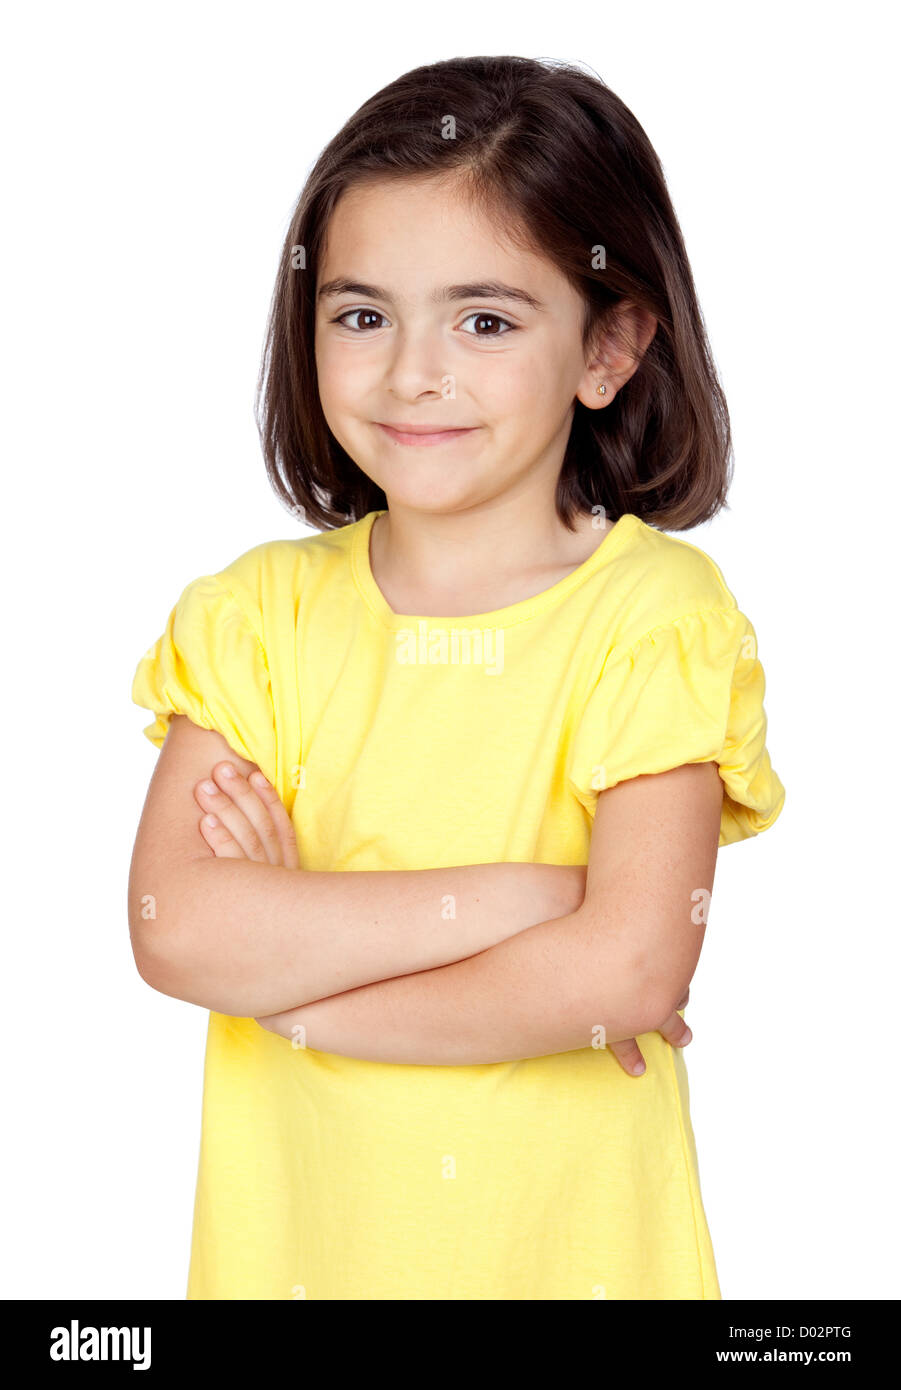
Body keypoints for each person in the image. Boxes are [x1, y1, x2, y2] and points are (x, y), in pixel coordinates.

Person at [129, 54, 786, 1300]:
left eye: (484, 320)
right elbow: (179, 930)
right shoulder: (256, 618)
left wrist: (302, 999)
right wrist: (539, 898)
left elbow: (633, 969)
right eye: (361, 314)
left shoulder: (654, 618)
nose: (409, 371)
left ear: (609, 347)